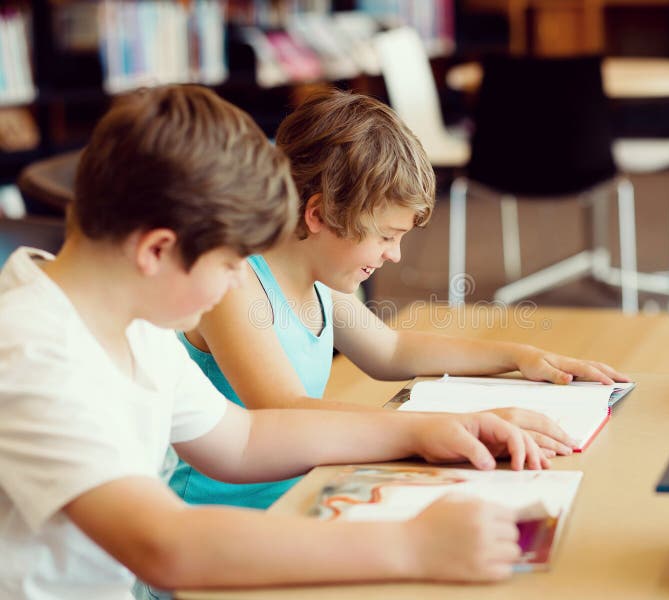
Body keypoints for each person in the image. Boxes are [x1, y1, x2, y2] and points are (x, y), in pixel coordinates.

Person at [0, 85, 550, 599]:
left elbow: (242, 440)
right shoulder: (36, 353)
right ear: (157, 251)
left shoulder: (134, 323)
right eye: (233, 262)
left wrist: (431, 430)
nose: (241, 281)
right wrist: (411, 544)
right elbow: (164, 545)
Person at [171, 89, 629, 511]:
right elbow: (283, 409)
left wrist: (520, 356)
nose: (396, 254)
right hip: (218, 526)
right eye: (386, 235)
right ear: (318, 215)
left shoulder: (321, 281)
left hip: (300, 498)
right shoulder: (233, 285)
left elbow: (389, 351)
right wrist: (438, 427)